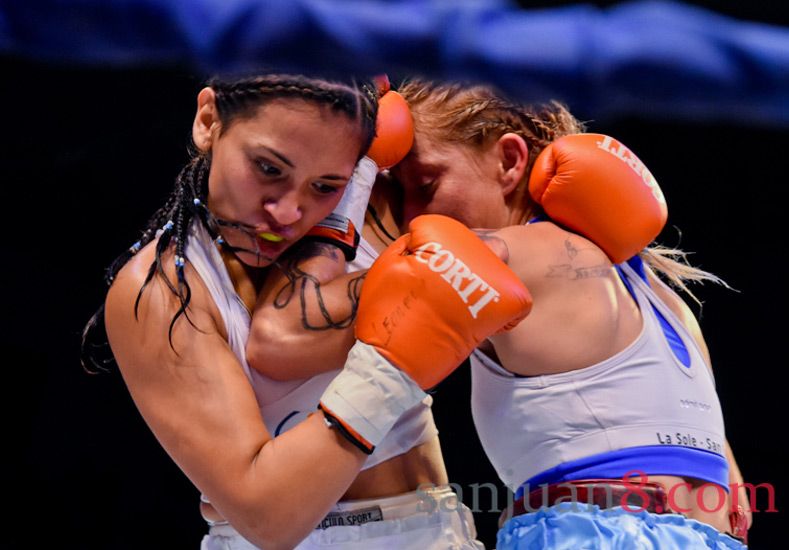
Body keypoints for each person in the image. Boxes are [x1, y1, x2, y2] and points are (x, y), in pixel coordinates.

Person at [80, 73, 532, 549]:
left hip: (438, 530)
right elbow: (267, 515)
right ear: (208, 121)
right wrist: (392, 365)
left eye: (324, 185)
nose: (287, 211)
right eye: (269, 169)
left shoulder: (378, 199)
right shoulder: (166, 289)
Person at [387, 79, 751, 549]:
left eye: (423, 183)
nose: (409, 212)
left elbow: (340, 296)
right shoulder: (665, 297)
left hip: (594, 533)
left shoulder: (512, 255)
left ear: (509, 161)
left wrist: (353, 178)